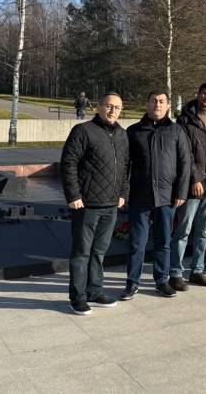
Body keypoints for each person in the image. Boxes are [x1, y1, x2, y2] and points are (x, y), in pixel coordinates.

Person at [60, 92, 129, 315]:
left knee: (99, 252)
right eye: (108, 106)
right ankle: (78, 297)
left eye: (117, 107)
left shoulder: (122, 134)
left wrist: (123, 193)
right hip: (86, 205)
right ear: (98, 106)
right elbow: (68, 163)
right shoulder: (83, 131)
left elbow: (125, 167)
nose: (112, 110)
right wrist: (73, 195)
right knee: (81, 253)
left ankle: (95, 291)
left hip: (111, 204)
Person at [120, 91, 191, 300]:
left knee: (163, 241)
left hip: (166, 197)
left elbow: (185, 163)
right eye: (153, 101)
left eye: (161, 102)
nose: (157, 105)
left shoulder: (176, 130)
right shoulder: (134, 131)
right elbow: (125, 165)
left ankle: (161, 280)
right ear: (147, 104)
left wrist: (181, 192)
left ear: (168, 105)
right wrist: (124, 193)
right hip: (140, 196)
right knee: (137, 242)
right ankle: (132, 282)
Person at [170, 83, 206, 291]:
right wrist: (195, 179)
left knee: (203, 230)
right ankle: (175, 273)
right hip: (193, 183)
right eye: (204, 94)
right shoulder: (185, 119)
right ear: (198, 94)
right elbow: (184, 153)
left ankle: (197, 270)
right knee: (184, 229)